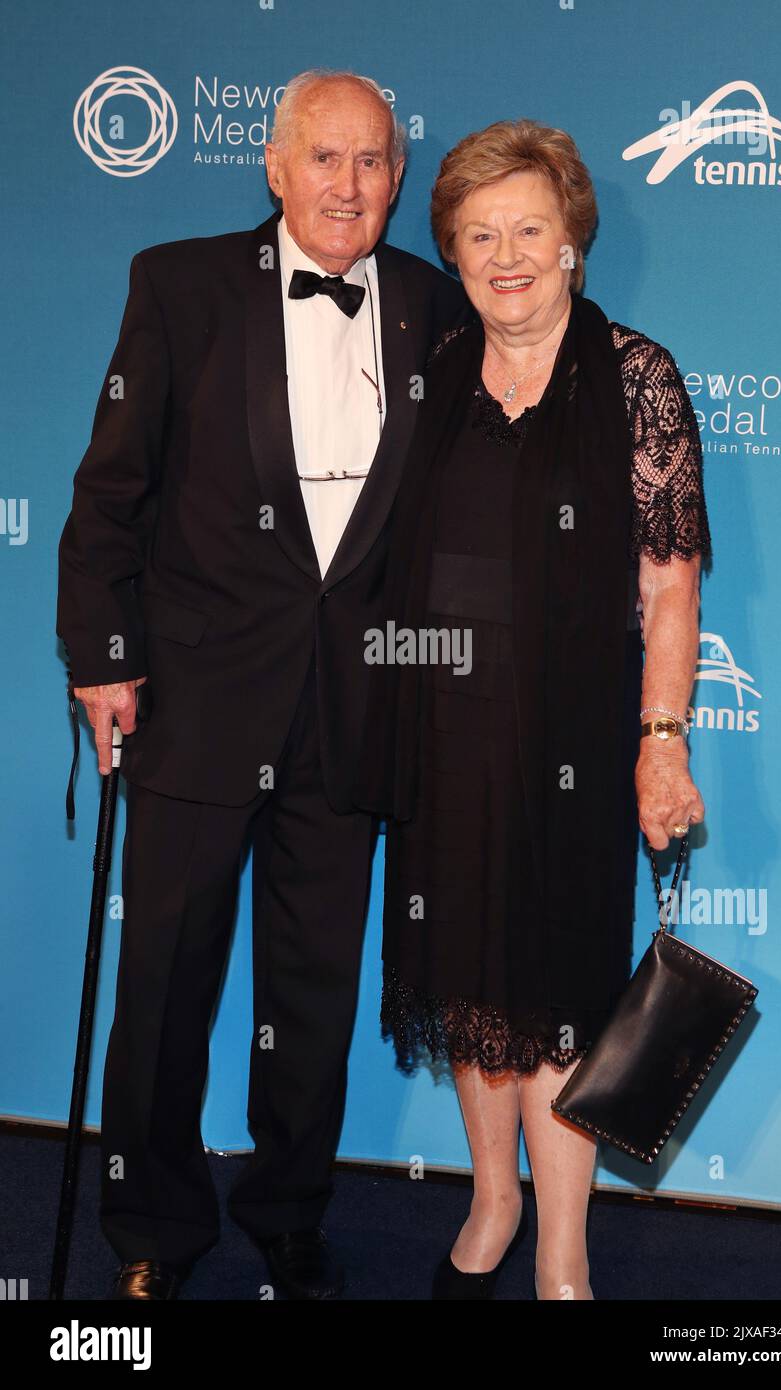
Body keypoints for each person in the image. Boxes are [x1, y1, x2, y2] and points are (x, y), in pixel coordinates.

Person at [56, 69, 467, 1301]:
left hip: (354, 710)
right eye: (326, 158)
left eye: (375, 160)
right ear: (275, 167)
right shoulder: (178, 284)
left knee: (314, 980)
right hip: (196, 692)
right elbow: (109, 489)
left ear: (400, 178)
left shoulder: (437, 310)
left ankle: (289, 1208)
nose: (352, 185)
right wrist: (103, 656)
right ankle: (148, 1230)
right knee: (166, 976)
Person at [355, 119, 712, 1300]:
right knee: (465, 974)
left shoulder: (635, 375)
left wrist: (661, 744)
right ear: (451, 253)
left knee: (559, 986)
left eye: (528, 230)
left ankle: (562, 1240)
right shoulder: (442, 371)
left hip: (570, 730)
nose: (504, 254)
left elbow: (667, 581)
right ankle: (492, 1193)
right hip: (442, 725)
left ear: (571, 243)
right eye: (476, 235)